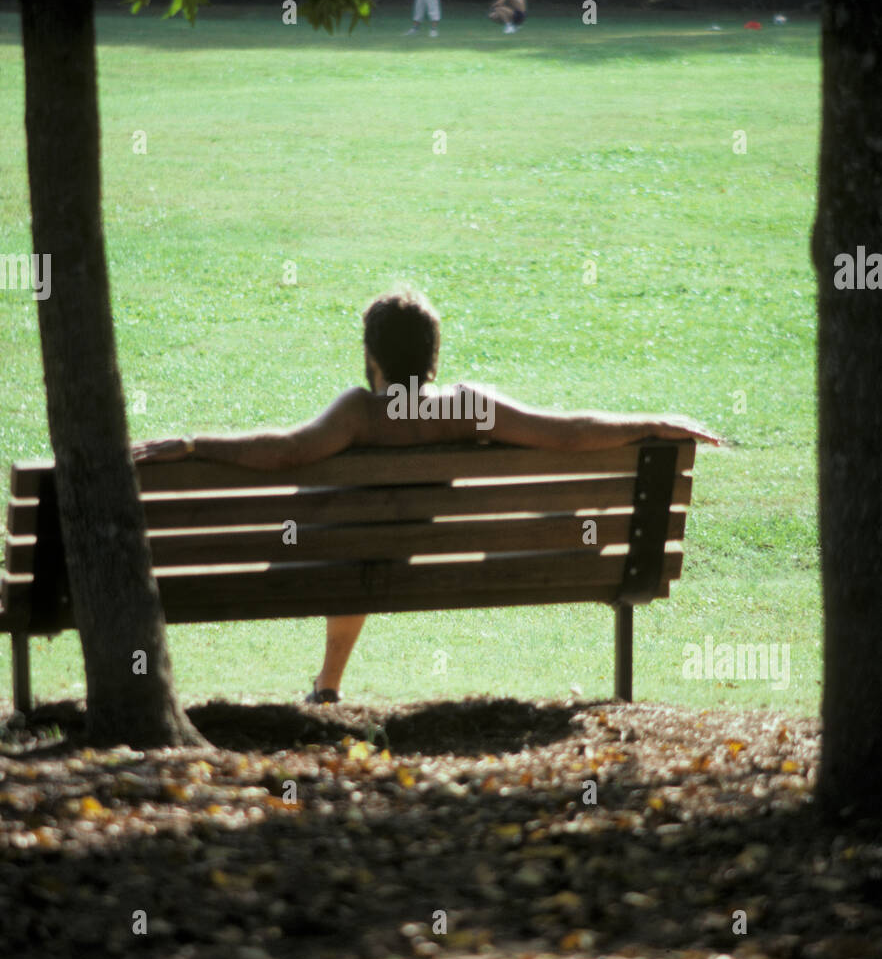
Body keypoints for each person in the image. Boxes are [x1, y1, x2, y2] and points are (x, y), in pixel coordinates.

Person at [132, 288, 722, 703]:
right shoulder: (466, 406)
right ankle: (327, 684)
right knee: (371, 544)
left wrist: (191, 444)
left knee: (354, 547)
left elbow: (287, 450)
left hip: (344, 566)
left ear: (372, 356)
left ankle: (328, 686)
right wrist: (651, 422)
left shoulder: (360, 412)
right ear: (432, 355)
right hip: (437, 567)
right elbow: (566, 433)